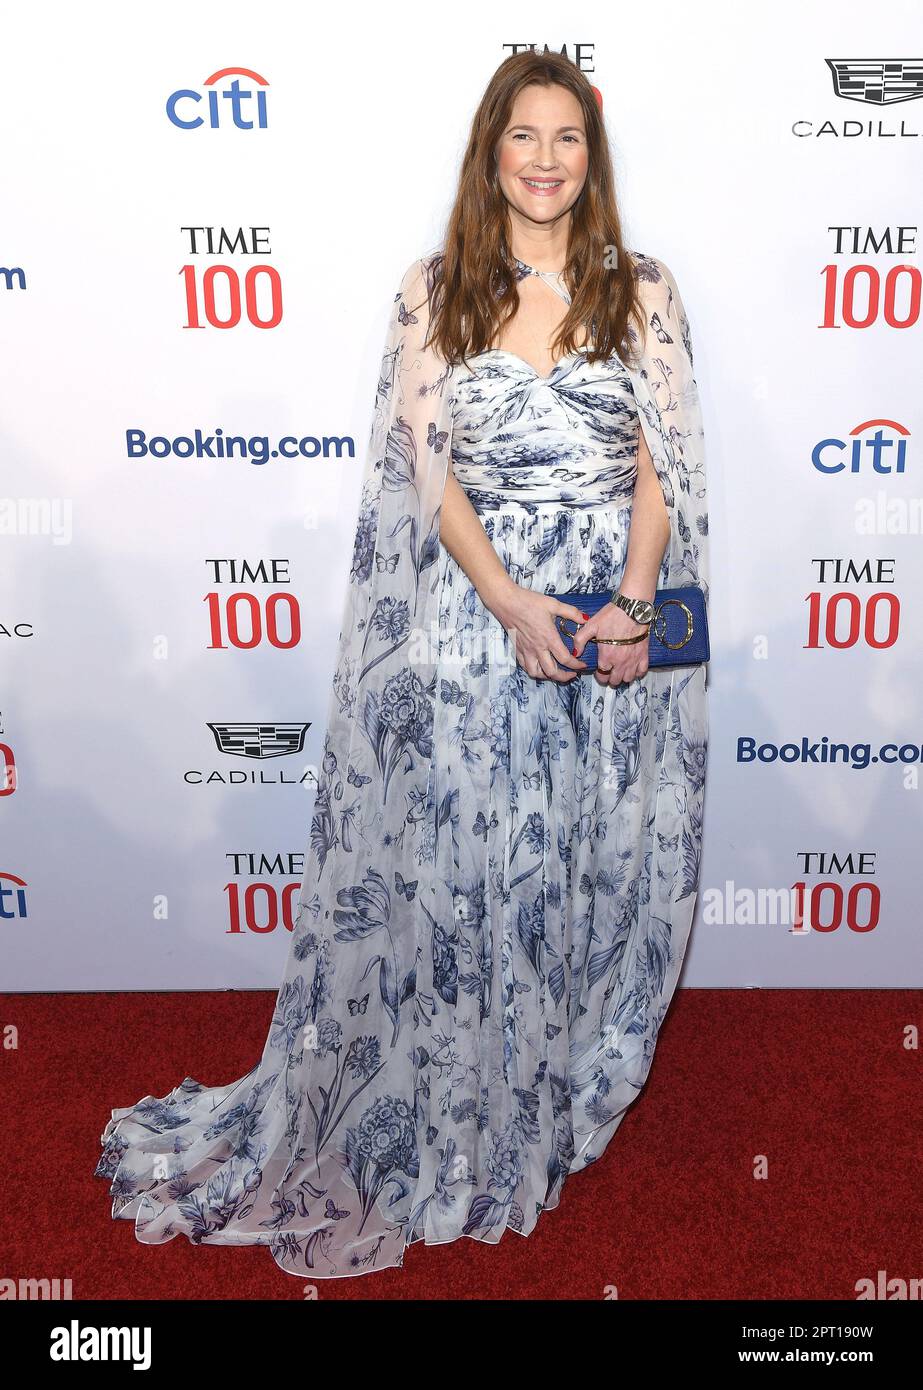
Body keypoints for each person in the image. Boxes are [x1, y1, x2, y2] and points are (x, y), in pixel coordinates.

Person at [94, 49, 709, 1281]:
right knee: (474, 870)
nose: (544, 159)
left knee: (576, 858)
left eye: (567, 138)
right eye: (522, 136)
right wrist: (507, 602)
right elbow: (425, 472)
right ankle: (461, 1101)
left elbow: (665, 460)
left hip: (607, 624)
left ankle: (544, 1092)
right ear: (490, 152)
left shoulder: (639, 287)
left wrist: (634, 604)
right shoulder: (434, 289)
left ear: (591, 158)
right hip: (482, 628)